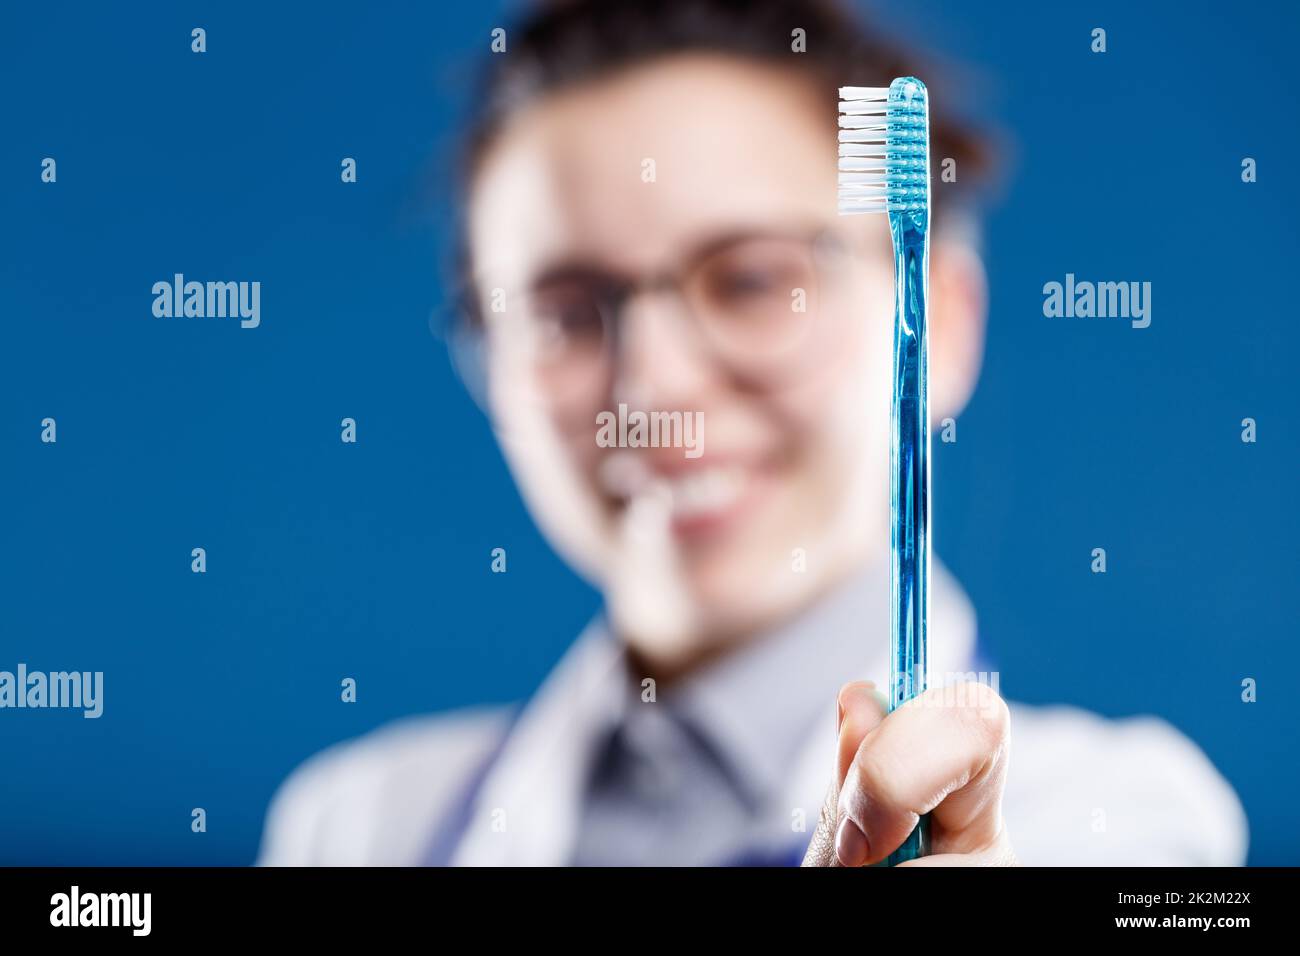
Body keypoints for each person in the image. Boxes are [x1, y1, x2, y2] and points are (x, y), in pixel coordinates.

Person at [258, 0, 1246, 867]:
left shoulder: (1115, 819)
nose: (653, 386)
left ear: (937, 320)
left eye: (750, 279)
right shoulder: (353, 825)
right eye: (562, 310)